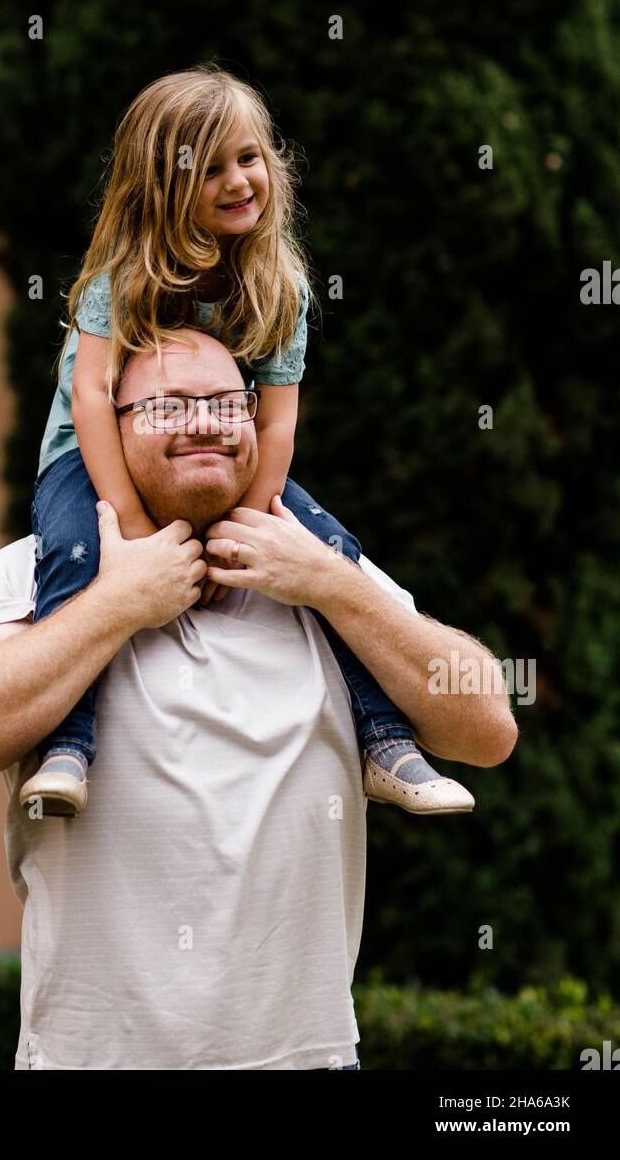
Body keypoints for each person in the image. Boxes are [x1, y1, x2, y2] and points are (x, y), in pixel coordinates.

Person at [0, 330, 518, 1071]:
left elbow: (488, 729)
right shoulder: (34, 576)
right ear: (107, 428)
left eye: (228, 403)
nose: (204, 423)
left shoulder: (319, 573)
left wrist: (329, 583)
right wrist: (116, 605)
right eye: (166, 405)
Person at [24, 63, 474, 817]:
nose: (239, 181)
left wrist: (255, 517)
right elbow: (93, 400)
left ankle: (385, 740)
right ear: (162, 187)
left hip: (232, 460)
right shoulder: (123, 278)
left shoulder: (276, 284)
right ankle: (66, 747)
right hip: (92, 453)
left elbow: (276, 420)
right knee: (76, 553)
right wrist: (129, 521)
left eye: (250, 158)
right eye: (211, 170)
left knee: (328, 552)